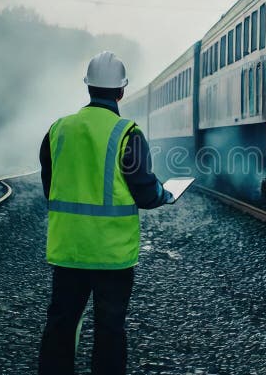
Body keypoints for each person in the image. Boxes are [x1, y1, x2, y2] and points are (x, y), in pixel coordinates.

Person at [38, 51, 173, 375]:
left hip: (69, 250)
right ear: (121, 91)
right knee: (109, 329)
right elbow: (145, 192)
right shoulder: (127, 133)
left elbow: (50, 186)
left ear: (88, 87)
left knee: (61, 324)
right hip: (112, 255)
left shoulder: (58, 129)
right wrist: (165, 194)